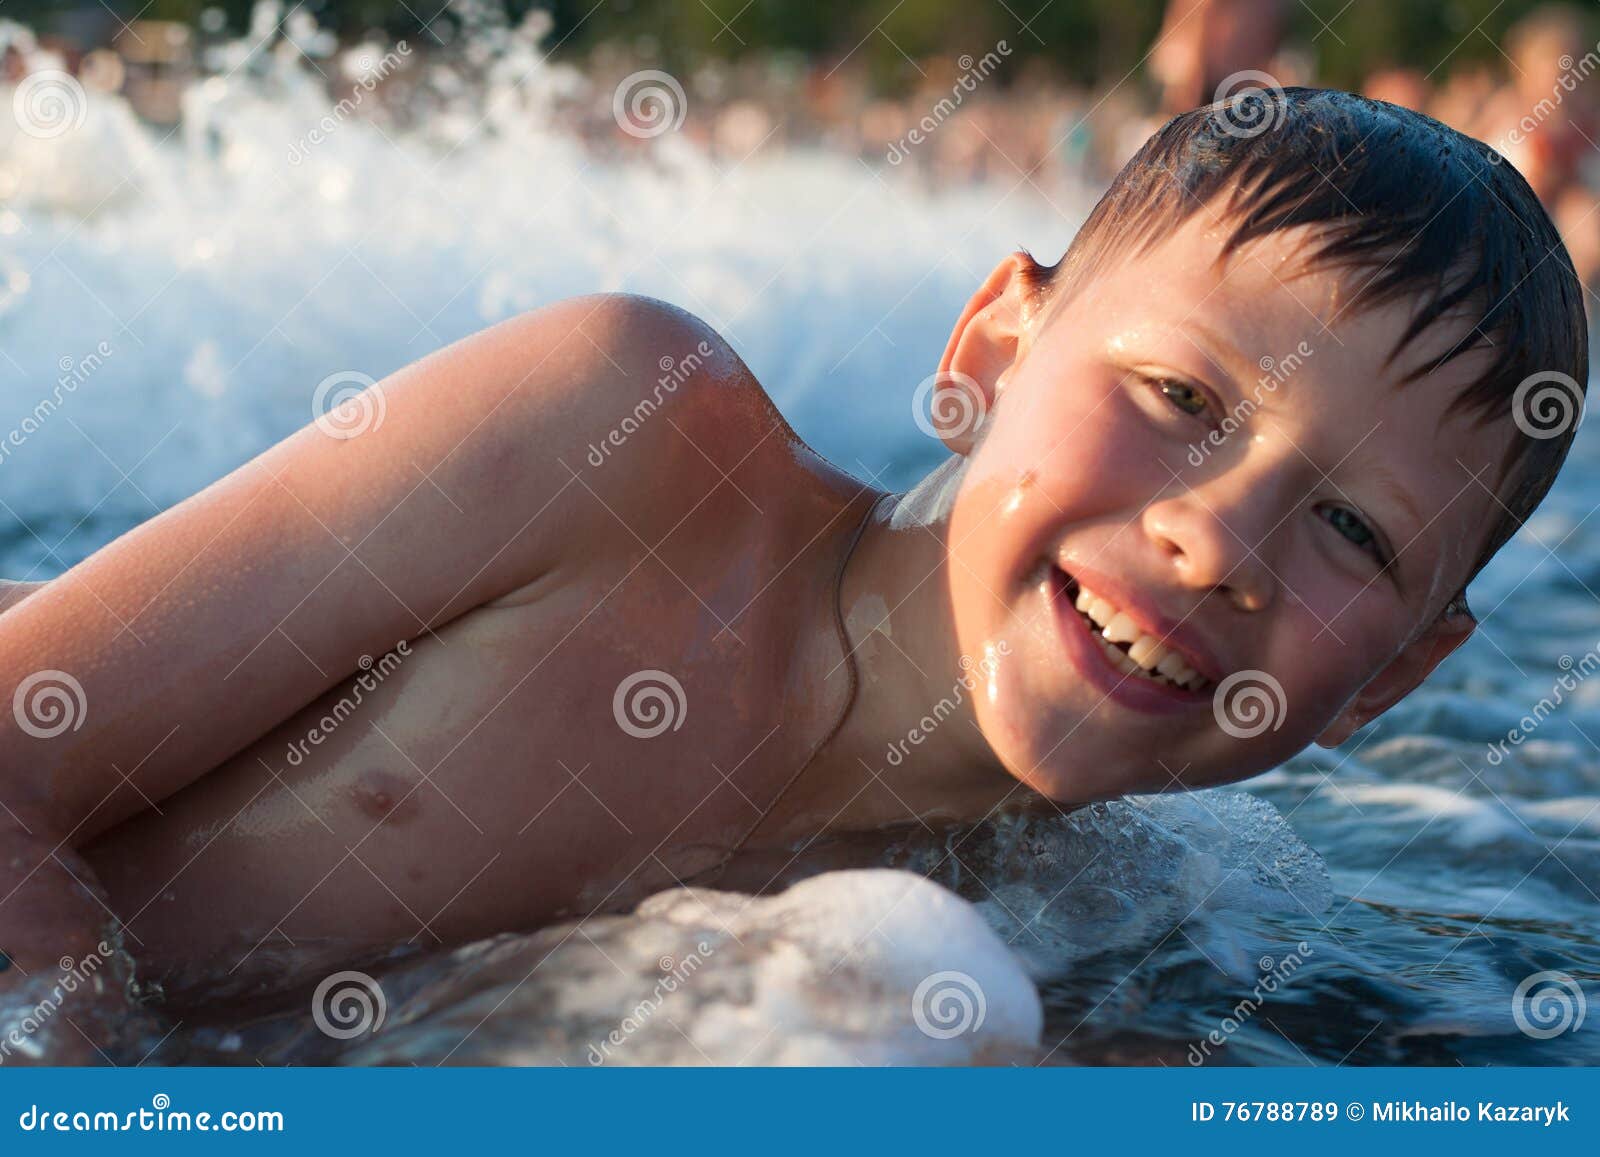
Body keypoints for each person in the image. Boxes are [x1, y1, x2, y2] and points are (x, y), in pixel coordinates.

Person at [0, 89, 1587, 1057]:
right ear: (986, 351)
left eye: (1356, 532)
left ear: (1390, 683)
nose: (1218, 540)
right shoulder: (618, 444)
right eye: (1180, 400)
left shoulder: (1050, 939)